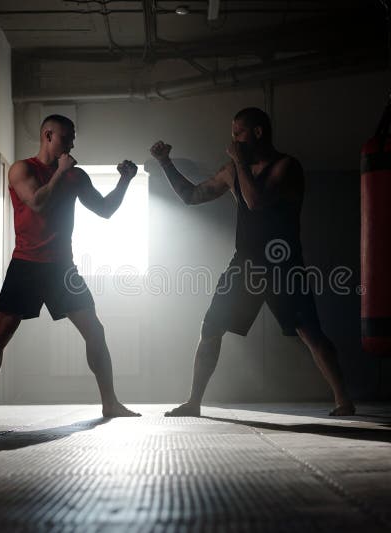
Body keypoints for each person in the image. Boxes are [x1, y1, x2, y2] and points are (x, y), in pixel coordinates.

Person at [150, 107, 355, 417]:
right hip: (245, 265)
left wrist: (240, 163)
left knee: (310, 332)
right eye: (233, 133)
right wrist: (165, 164)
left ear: (258, 132)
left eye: (238, 132)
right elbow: (191, 196)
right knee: (211, 328)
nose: (232, 139)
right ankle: (194, 402)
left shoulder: (286, 167)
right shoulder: (234, 170)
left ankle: (344, 400)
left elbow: (255, 202)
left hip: (283, 266)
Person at [0, 114, 140, 420]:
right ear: (48, 136)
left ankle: (110, 403)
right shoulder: (22, 169)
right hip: (26, 265)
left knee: (95, 331)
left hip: (62, 267)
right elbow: (36, 202)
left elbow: (105, 210)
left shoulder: (76, 176)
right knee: (0, 335)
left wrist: (125, 181)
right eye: (66, 137)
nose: (72, 144)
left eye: (73, 137)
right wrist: (60, 172)